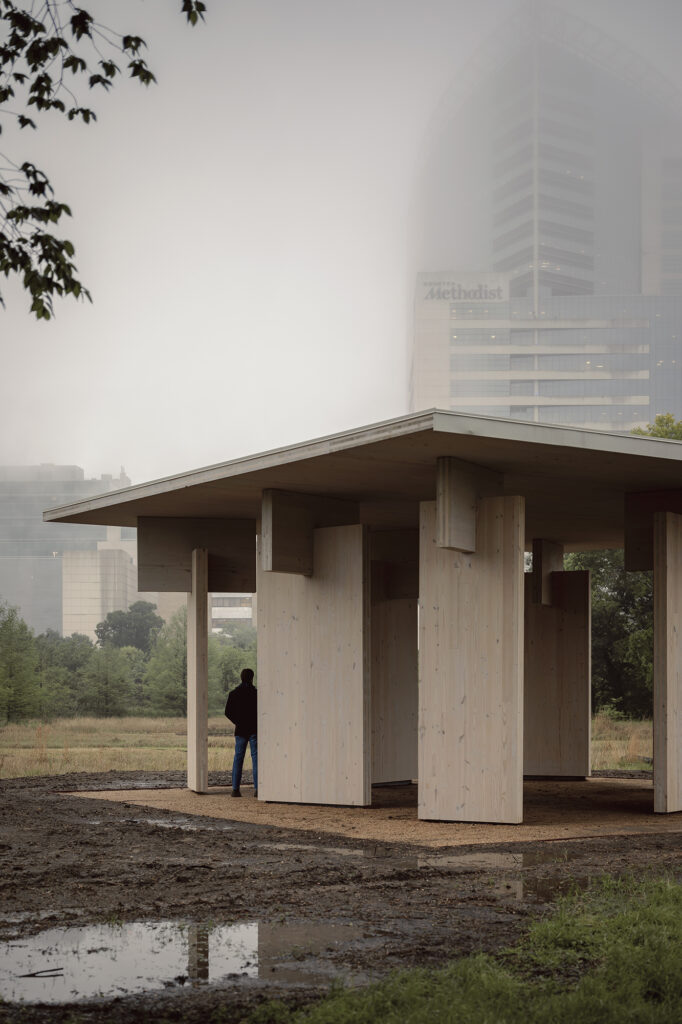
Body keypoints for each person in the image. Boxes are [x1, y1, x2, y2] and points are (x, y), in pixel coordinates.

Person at [225, 667, 258, 798]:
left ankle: (235, 789)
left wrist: (238, 722)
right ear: (252, 678)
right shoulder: (256, 693)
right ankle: (257, 789)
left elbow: (227, 712)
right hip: (254, 729)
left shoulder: (234, 693)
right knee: (256, 758)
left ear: (241, 677)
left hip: (240, 730)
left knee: (238, 758)